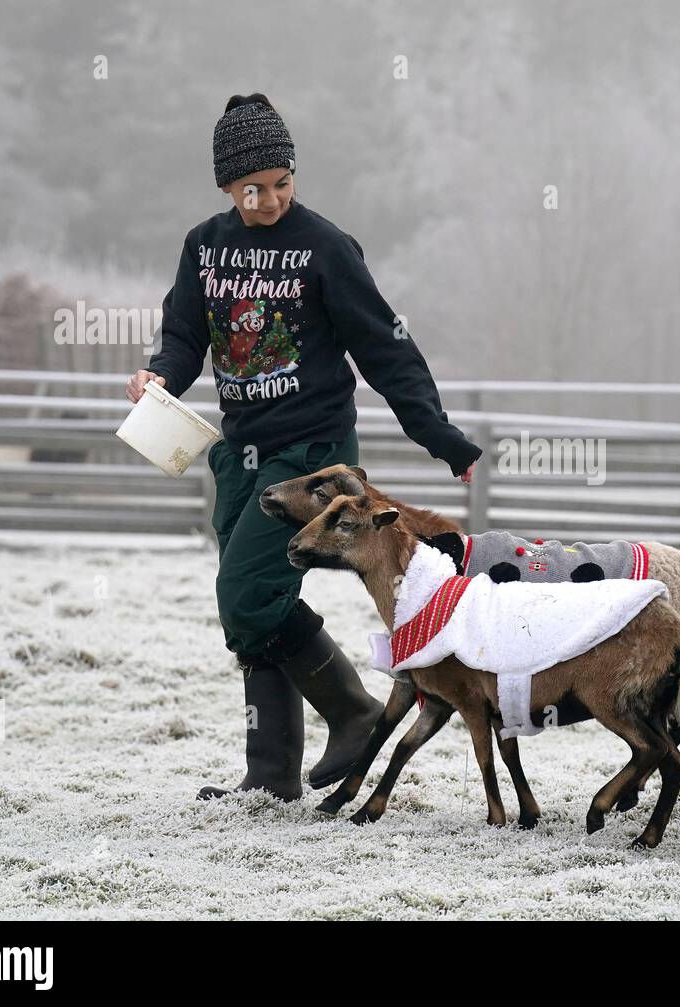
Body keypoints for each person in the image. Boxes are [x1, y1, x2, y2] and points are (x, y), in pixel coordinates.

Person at [125, 93, 481, 802]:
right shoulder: (205, 246)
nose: (270, 199)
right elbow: (186, 337)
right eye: (254, 188)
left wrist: (440, 435)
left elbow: (386, 348)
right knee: (250, 610)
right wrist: (160, 374)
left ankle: (352, 713)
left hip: (313, 457)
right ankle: (270, 776)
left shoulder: (325, 246)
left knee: (246, 590)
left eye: (283, 183)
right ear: (227, 185)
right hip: (241, 452)